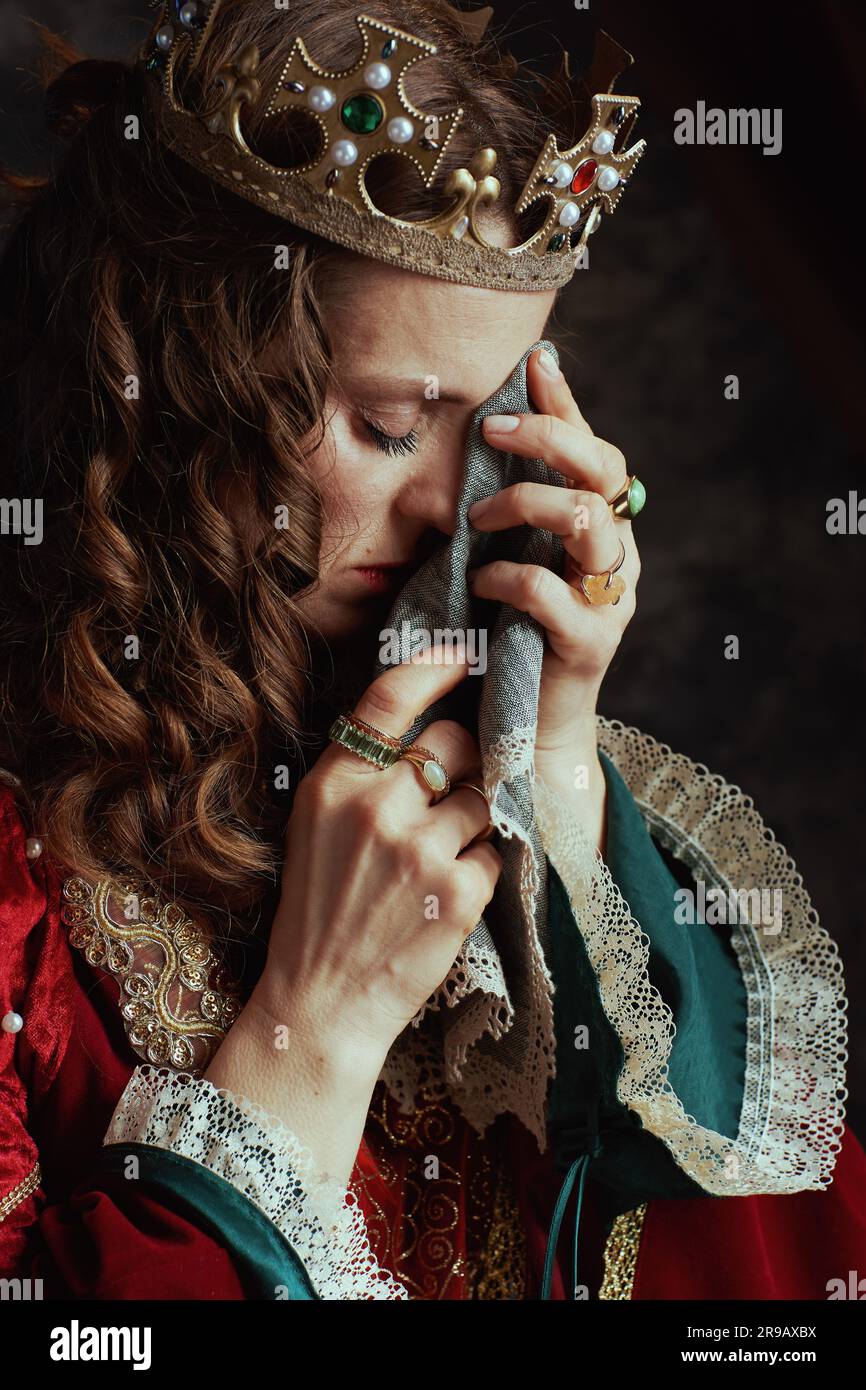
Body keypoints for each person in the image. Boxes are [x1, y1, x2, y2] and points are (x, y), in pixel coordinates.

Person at [0, 0, 863, 1301]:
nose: (450, 514)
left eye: (500, 420)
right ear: (186, 392)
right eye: (395, 421)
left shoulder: (464, 788)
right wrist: (313, 1030)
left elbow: (774, 1257)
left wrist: (551, 765)